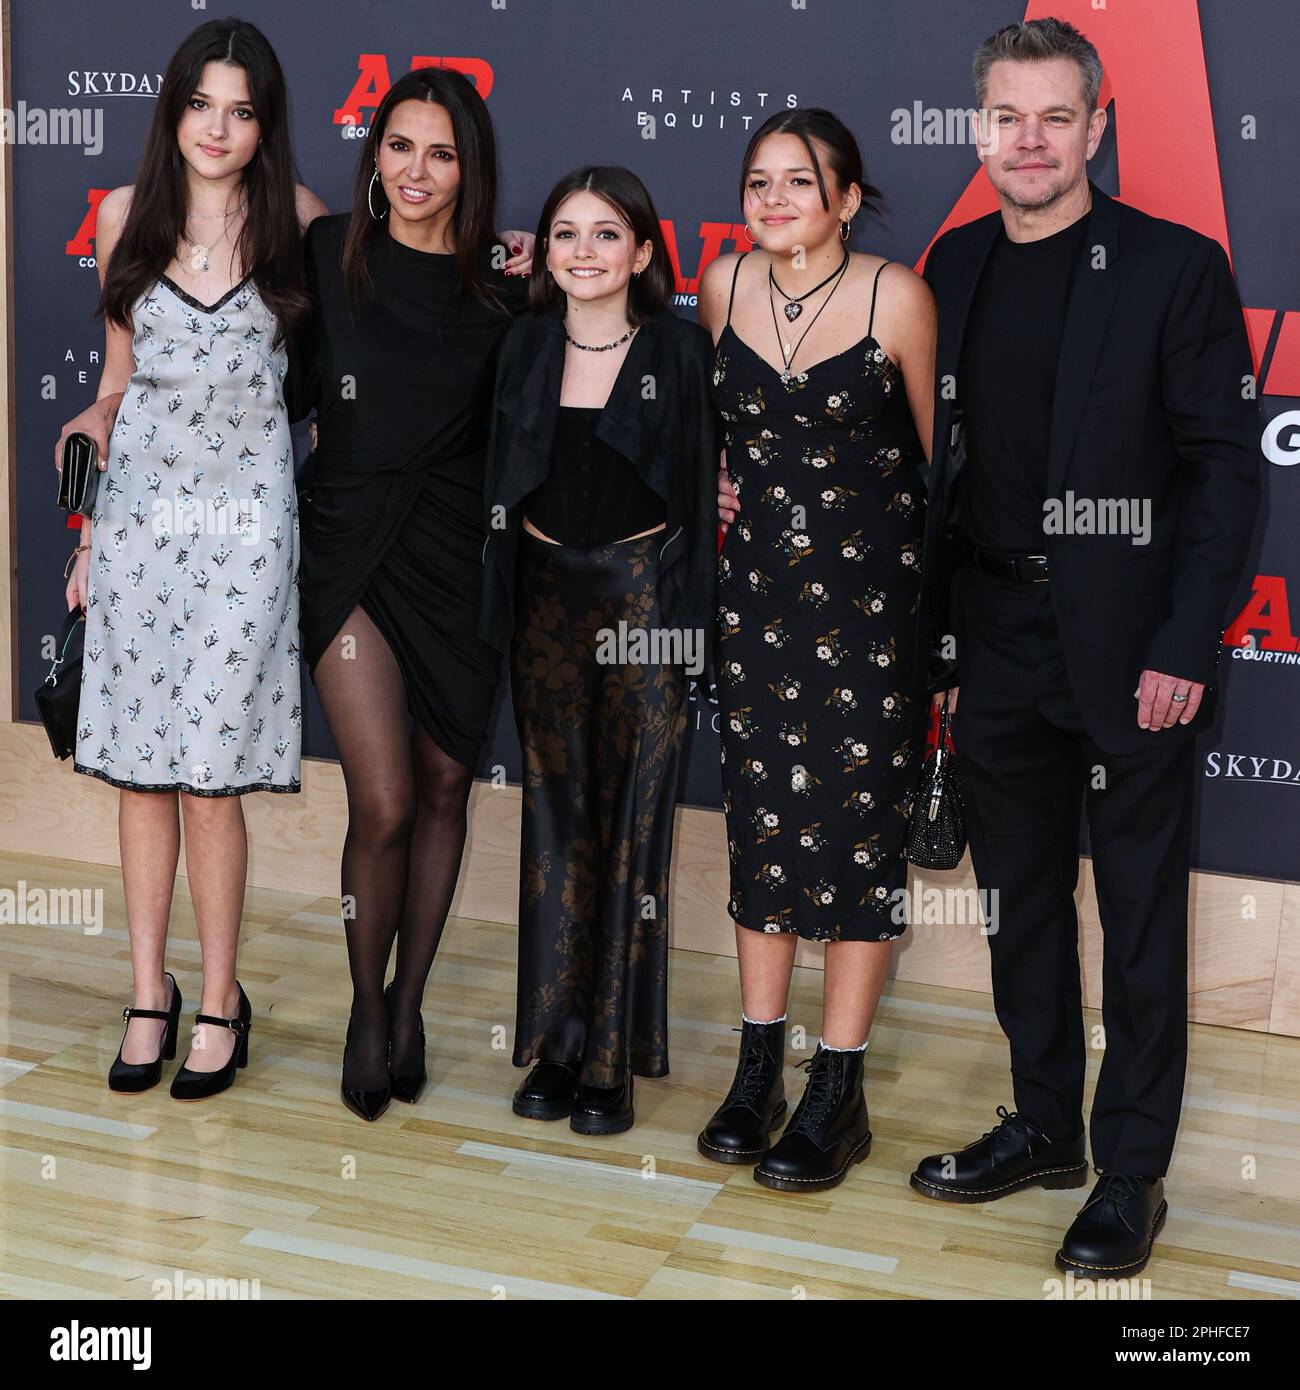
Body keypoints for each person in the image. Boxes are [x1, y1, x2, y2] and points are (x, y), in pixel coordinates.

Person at [907, 18, 1260, 1277]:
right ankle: (1045, 1125)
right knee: (1018, 908)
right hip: (994, 635)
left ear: (1098, 126)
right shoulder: (949, 269)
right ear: (978, 130)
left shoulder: (1173, 267)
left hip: (1130, 651)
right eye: (1007, 118)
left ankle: (1130, 1170)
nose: (1031, 141)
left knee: (1141, 920)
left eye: (1056, 117)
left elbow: (1225, 473)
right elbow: (922, 465)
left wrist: (1184, 641)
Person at [56, 18, 327, 1100]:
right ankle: (145, 993)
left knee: (211, 780)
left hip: (249, 532)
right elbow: (114, 384)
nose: (218, 128)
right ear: (172, 110)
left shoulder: (302, 226)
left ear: (267, 126)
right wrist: (85, 507)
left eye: (242, 109)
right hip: (139, 528)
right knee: (137, 776)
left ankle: (220, 999)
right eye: (201, 104)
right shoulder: (126, 217)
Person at [285, 66, 534, 1122]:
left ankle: (410, 1000)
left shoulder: (511, 287)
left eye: (441, 152)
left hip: (461, 559)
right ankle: (360, 1007)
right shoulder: (324, 251)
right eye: (399, 146)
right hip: (348, 546)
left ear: (469, 166)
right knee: (381, 800)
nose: (417, 171)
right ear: (372, 152)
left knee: (442, 792)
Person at [703, 109, 936, 1191]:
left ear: (846, 199)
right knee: (762, 836)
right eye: (759, 181)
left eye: (800, 181)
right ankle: (758, 1067)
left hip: (871, 619)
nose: (775, 199)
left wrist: (937, 637)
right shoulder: (721, 287)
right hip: (756, 610)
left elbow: (937, 476)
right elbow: (713, 444)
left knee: (853, 850)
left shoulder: (899, 298)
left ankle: (836, 1091)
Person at [479, 167, 719, 1135]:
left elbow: (701, 496)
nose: (585, 250)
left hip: (645, 599)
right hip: (541, 604)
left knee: (633, 829)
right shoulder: (523, 342)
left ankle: (613, 1060)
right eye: (566, 232)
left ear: (646, 254)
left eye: (607, 233)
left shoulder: (677, 347)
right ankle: (555, 1043)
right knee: (555, 820)